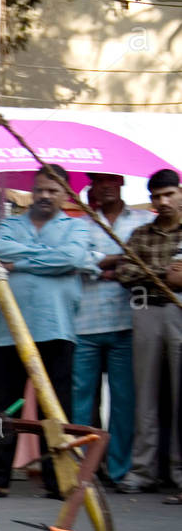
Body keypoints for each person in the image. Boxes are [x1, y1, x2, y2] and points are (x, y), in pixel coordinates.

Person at [0, 165, 93, 499]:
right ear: (33, 190)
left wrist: (23, 263)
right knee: (4, 410)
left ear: (65, 194)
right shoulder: (10, 224)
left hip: (56, 331)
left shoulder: (78, 227)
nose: (44, 196)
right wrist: (50, 261)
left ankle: (59, 481)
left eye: (52, 190)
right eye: (40, 189)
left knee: (55, 412)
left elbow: (71, 258)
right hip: (8, 334)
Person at [74, 173, 151, 487]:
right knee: (81, 402)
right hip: (84, 323)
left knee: (123, 402)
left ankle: (119, 470)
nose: (105, 185)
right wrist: (119, 261)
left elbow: (145, 261)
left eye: (111, 180)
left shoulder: (143, 220)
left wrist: (103, 265)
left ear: (120, 182)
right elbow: (77, 260)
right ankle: (81, 470)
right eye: (98, 180)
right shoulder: (79, 225)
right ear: (91, 185)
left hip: (128, 322)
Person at [116, 168, 182, 497]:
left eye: (169, 194)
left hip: (178, 313)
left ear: (180, 193)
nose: (163, 201)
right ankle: (142, 470)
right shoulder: (142, 233)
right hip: (145, 311)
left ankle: (178, 473)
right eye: (157, 196)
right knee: (145, 396)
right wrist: (163, 273)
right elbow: (125, 271)